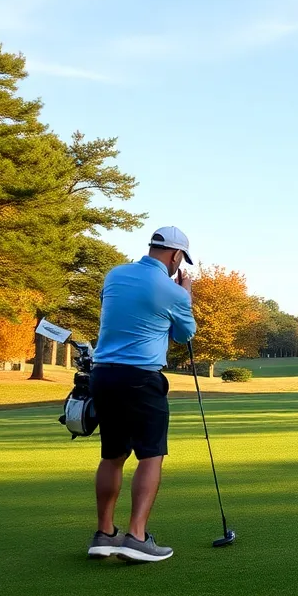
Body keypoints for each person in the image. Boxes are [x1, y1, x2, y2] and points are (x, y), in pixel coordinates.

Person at [86, 226, 197, 563]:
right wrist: (186, 294)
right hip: (141, 378)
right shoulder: (173, 290)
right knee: (150, 454)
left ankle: (104, 533)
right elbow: (185, 334)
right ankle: (136, 537)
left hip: (102, 375)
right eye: (181, 260)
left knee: (113, 455)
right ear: (176, 256)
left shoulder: (114, 275)